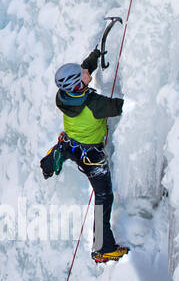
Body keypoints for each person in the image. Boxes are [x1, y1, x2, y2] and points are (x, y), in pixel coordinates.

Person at [39, 47, 129, 263]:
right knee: (104, 197)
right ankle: (103, 248)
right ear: (79, 84)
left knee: (68, 149)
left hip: (72, 145)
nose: (86, 72)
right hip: (92, 157)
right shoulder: (94, 105)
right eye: (83, 74)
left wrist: (95, 56)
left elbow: (84, 70)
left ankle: (56, 155)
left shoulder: (63, 96)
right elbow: (119, 107)